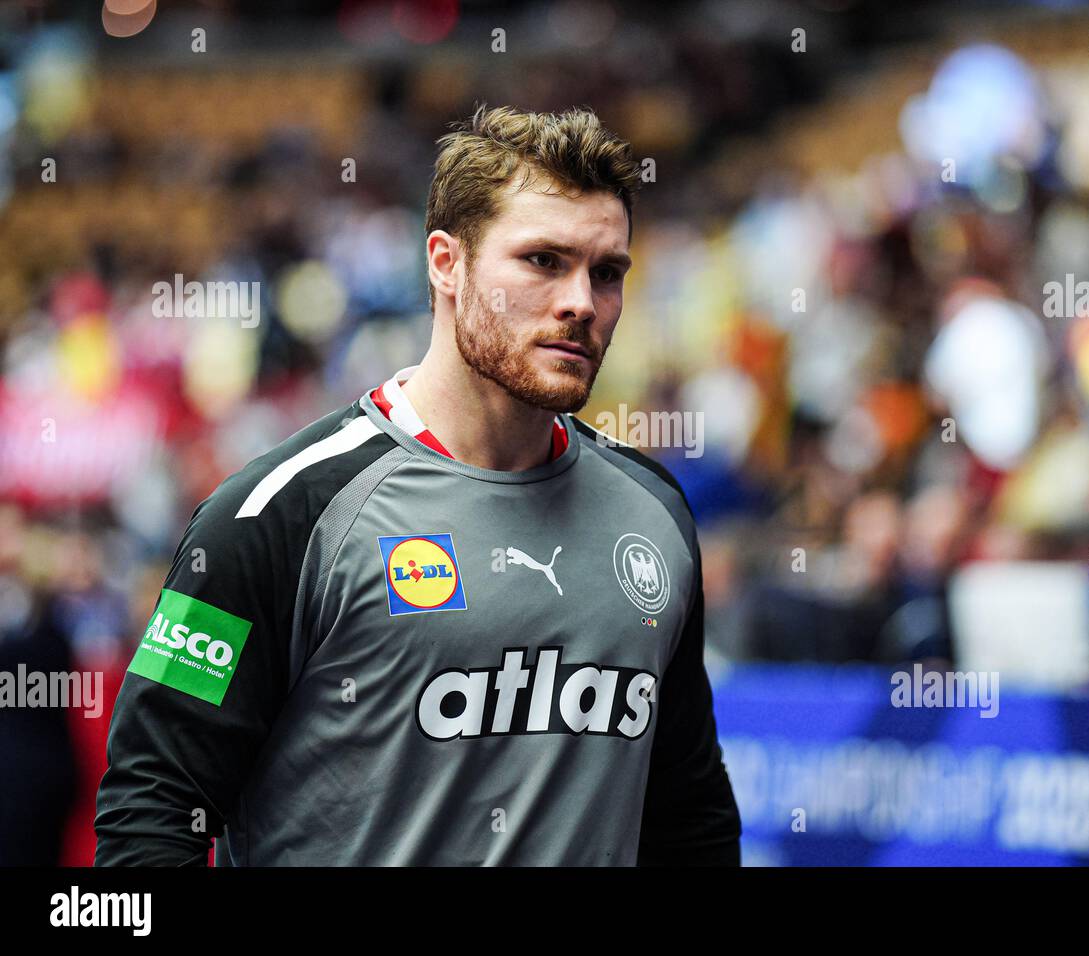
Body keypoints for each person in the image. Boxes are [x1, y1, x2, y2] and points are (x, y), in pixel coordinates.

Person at [95, 104, 741, 866]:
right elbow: (150, 811)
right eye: (542, 260)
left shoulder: (655, 514)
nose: (580, 302)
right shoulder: (273, 514)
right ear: (446, 263)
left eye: (607, 273)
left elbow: (689, 817)